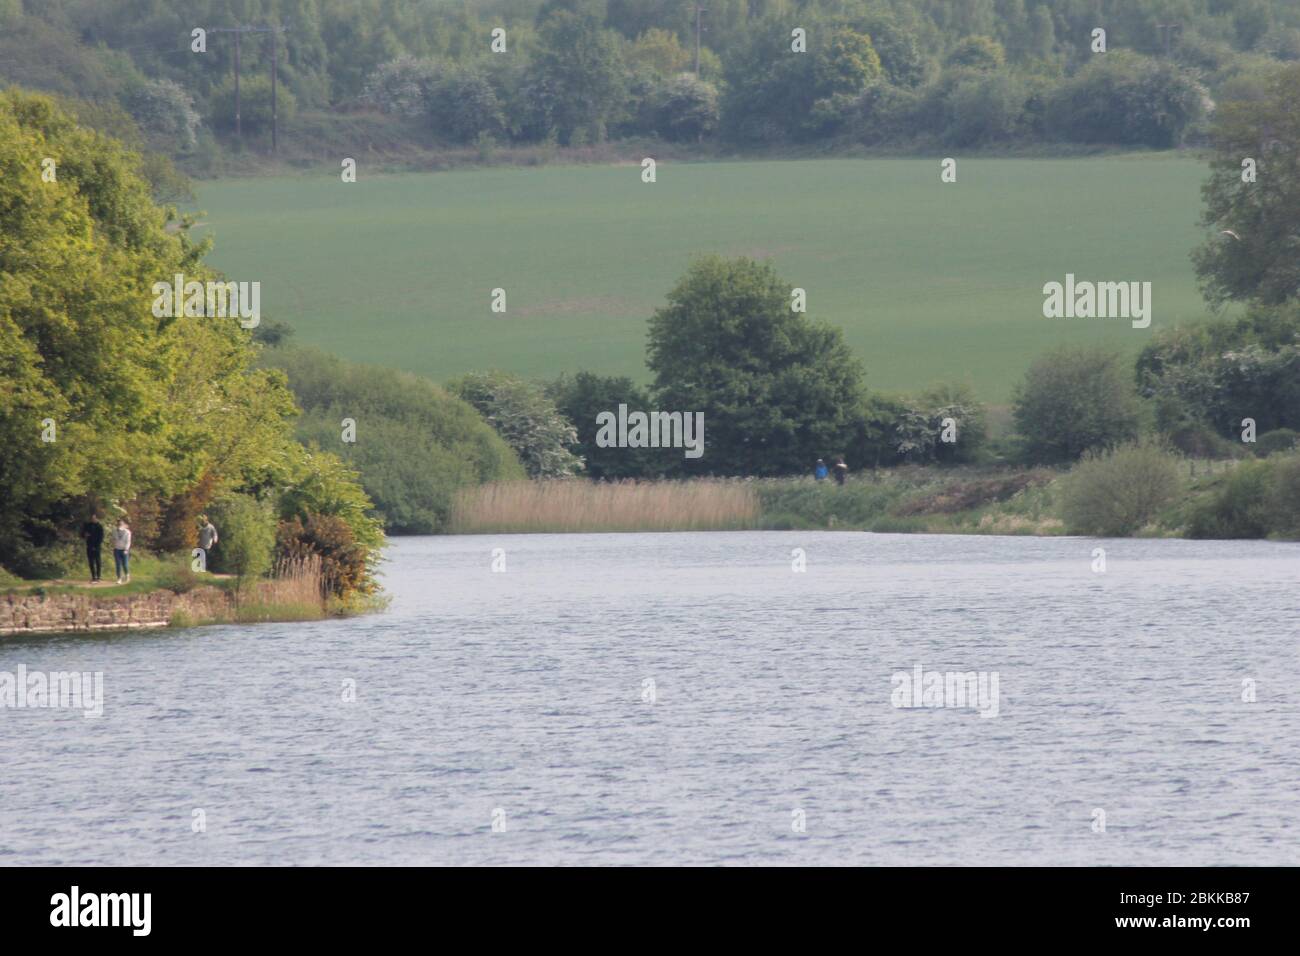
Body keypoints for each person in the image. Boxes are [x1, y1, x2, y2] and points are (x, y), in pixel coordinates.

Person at [80, 512, 104, 582]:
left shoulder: (99, 526)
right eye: (92, 518)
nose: (93, 519)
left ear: (96, 518)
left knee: (98, 561)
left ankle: (98, 576)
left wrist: (96, 546)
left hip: (97, 546)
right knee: (91, 562)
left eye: (94, 518)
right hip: (89, 545)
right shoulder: (87, 525)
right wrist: (85, 535)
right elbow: (82, 534)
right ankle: (93, 576)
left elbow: (101, 537)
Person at [112, 518, 132, 584]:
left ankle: (127, 575)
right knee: (118, 564)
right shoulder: (114, 531)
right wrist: (114, 546)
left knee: (125, 564)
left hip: (124, 550)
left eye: (120, 524)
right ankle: (119, 578)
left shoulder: (127, 532)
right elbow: (113, 539)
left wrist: (126, 549)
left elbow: (128, 542)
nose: (119, 525)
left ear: (123, 524)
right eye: (118, 524)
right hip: (117, 549)